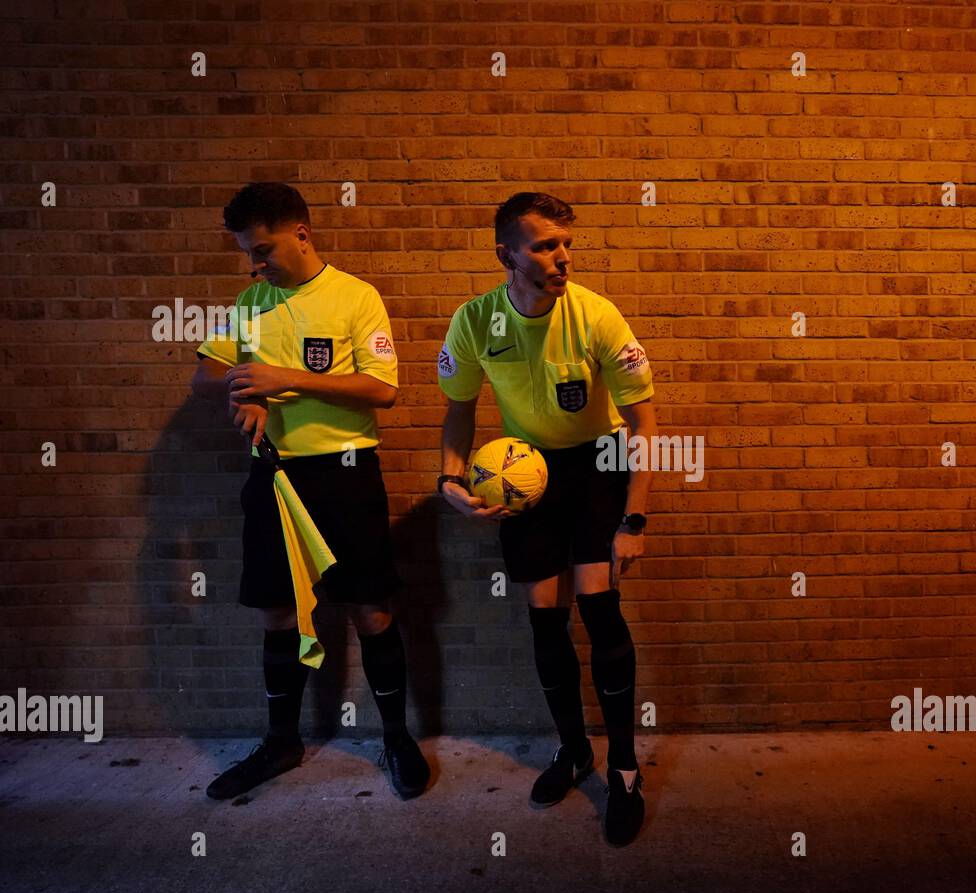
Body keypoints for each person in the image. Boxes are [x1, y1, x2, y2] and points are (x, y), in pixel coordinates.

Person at [190, 181, 430, 800]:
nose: (255, 264)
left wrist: (284, 379)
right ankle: (282, 742)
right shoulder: (250, 303)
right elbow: (205, 375)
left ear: (301, 234)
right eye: (248, 253)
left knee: (371, 609)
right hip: (273, 476)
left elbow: (383, 389)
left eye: (263, 249)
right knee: (278, 611)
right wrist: (244, 389)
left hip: (346, 474)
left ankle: (396, 738)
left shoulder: (355, 296)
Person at [437, 192, 657, 845]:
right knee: (545, 618)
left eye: (566, 244)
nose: (561, 257)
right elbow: (459, 409)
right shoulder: (475, 321)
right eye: (543, 246)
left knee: (599, 608)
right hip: (525, 474)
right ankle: (574, 750)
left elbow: (644, 423)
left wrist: (635, 520)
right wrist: (449, 478)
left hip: (597, 467)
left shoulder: (596, 315)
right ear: (506, 254)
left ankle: (624, 768)